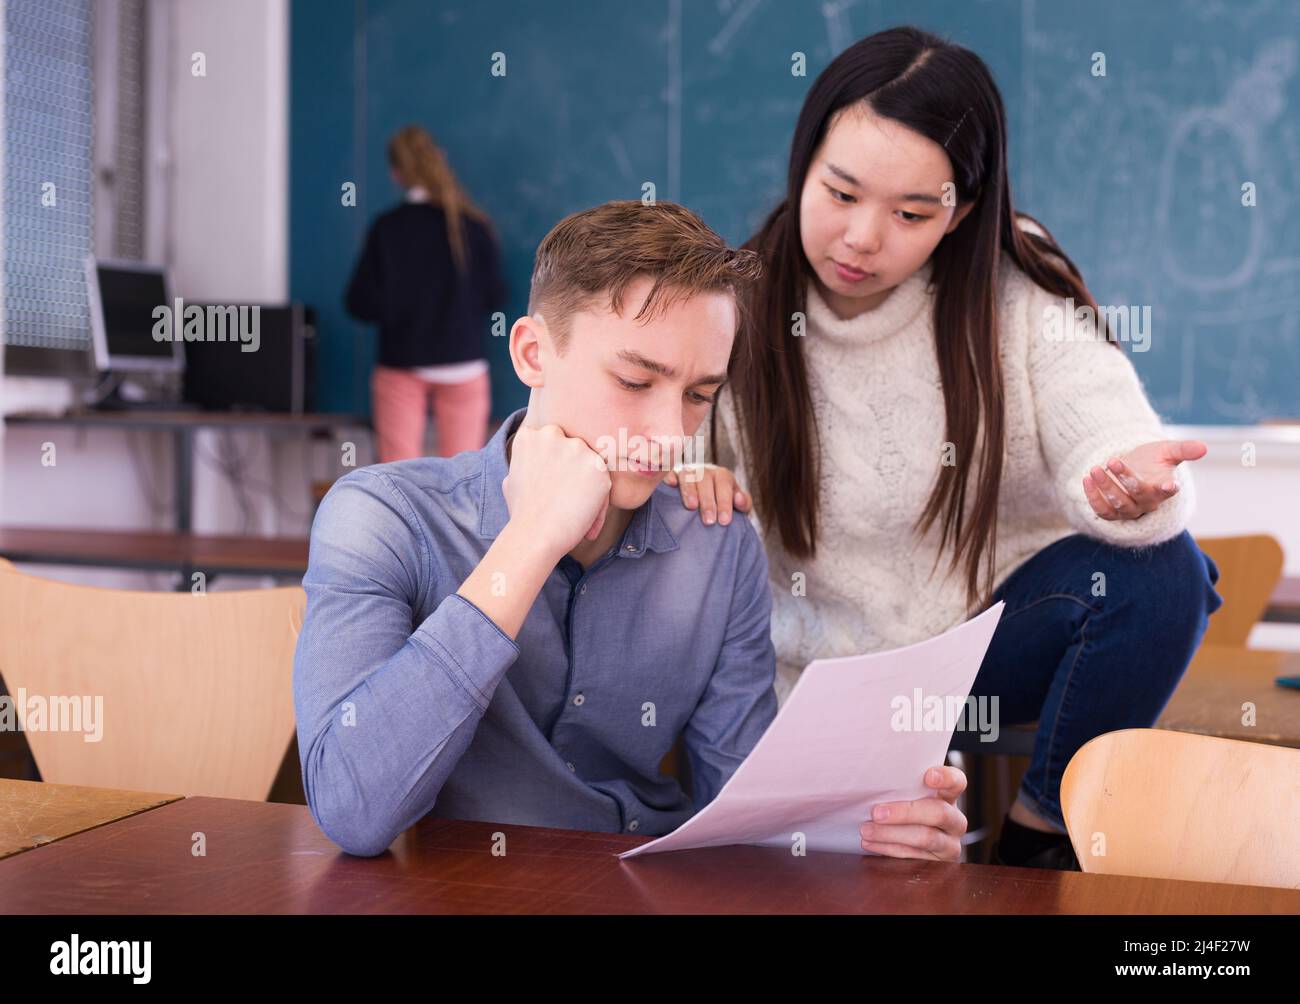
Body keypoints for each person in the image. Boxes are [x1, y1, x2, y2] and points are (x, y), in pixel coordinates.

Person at [666, 26, 1223, 870]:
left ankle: (1040, 841)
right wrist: (685, 474)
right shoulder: (730, 302)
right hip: (821, 678)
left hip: (973, 658)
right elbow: (652, 445)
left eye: (911, 213)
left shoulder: (1011, 281)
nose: (861, 237)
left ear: (959, 213)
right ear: (802, 162)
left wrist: (1121, 477)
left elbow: (1096, 411)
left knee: (1163, 574)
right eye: (841, 193)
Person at [295, 200, 968, 859]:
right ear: (532, 353)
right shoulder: (382, 517)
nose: (670, 434)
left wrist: (867, 831)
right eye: (634, 380)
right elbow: (354, 812)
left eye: (699, 395)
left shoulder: (716, 542)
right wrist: (530, 540)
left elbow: (742, 810)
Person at [345, 125, 505, 462]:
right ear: (439, 159)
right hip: (464, 364)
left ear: (396, 173)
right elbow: (494, 295)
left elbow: (358, 301)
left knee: (398, 477)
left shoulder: (387, 227)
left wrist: (400, 308)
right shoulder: (473, 227)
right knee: (466, 480)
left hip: (402, 363)